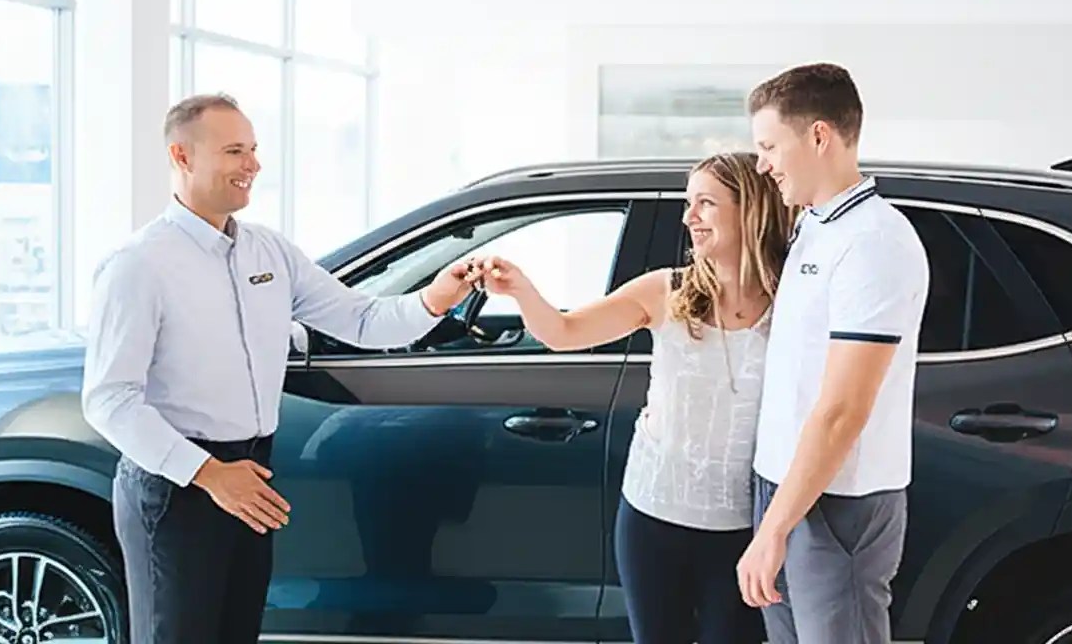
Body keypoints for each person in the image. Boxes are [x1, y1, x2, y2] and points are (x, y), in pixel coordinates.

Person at [80, 92, 479, 643]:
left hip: (251, 475)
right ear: (182, 156)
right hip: (180, 487)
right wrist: (210, 475)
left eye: (254, 149)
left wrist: (436, 298)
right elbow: (109, 399)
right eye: (235, 151)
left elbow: (362, 321)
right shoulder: (138, 265)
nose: (253, 165)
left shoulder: (269, 252)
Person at [475, 152, 797, 644]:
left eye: (705, 203)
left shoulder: (794, 304)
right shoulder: (666, 290)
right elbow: (564, 332)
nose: (689, 217)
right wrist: (521, 291)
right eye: (689, 203)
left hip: (742, 527)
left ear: (750, 210)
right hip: (652, 517)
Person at [736, 63, 930, 644]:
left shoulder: (874, 242)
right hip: (789, 486)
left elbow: (842, 410)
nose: (762, 163)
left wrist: (775, 530)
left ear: (819, 136)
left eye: (770, 145)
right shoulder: (815, 228)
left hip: (839, 501)